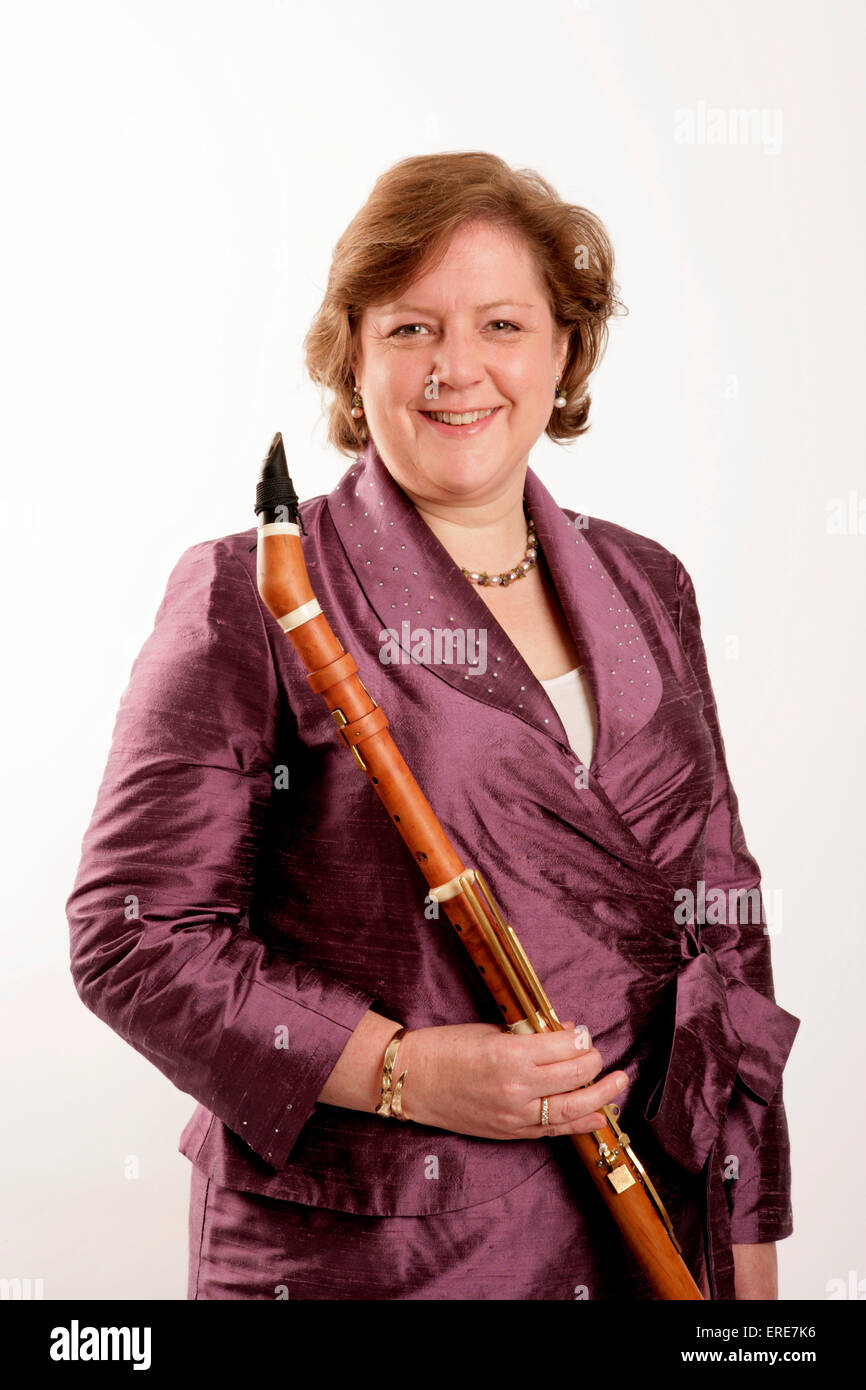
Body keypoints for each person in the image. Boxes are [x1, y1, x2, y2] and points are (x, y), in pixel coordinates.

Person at [66, 151, 800, 1301]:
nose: (457, 370)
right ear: (351, 357)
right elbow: (134, 935)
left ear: (563, 350)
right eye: (411, 329)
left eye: (501, 323)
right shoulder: (250, 587)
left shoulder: (648, 583)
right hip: (379, 1251)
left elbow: (725, 943)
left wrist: (744, 1261)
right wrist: (400, 1071)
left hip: (645, 1230)